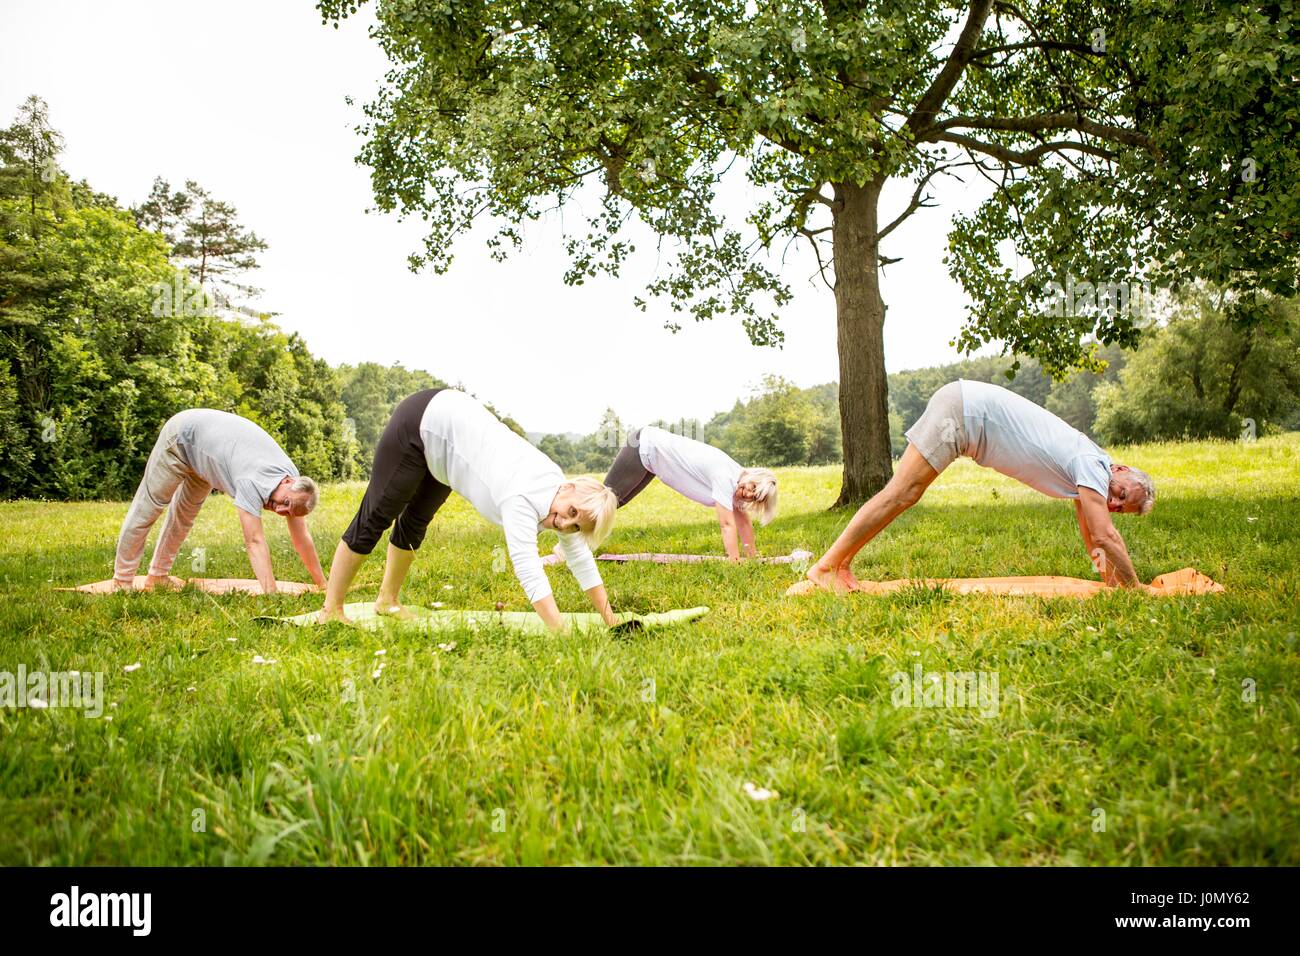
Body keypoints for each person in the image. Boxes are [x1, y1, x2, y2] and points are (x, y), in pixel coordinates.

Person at [804, 380, 1156, 593]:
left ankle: (835, 565)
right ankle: (828, 567)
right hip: (964, 413)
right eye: (1120, 493)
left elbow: (1093, 538)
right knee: (902, 492)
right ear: (1120, 469)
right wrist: (1133, 588)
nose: (1111, 501)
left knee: (903, 493)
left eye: (1118, 508)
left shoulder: (1088, 471)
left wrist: (1111, 580)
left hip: (964, 410)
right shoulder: (1093, 463)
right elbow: (1105, 536)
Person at [319, 388, 620, 631]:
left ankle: (388, 601)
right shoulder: (523, 496)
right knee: (376, 516)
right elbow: (527, 568)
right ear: (568, 488)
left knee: (415, 523)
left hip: (447, 452)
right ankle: (331, 610)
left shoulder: (560, 497)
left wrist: (611, 619)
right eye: (571, 513)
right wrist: (560, 631)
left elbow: (580, 558)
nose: (566, 525)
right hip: (422, 422)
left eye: (576, 526)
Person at [113, 409, 325, 594]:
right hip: (180, 437)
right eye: (284, 503)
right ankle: (122, 581)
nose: (279, 509)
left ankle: (157, 577)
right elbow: (254, 541)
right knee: (148, 509)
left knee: (183, 518)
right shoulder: (252, 480)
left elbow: (301, 537)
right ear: (287, 482)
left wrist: (323, 585)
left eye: (288, 512)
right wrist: (271, 595)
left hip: (206, 454)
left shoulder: (295, 486)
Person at [596, 426, 778, 562]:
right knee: (603, 501)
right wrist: (734, 561)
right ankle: (570, 512)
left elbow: (743, 522)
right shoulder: (727, 477)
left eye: (754, 497)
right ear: (752, 476)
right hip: (644, 445)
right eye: (752, 487)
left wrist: (752, 558)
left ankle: (574, 531)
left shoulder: (738, 485)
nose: (747, 494)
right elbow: (727, 524)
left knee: (614, 502)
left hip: (651, 460)